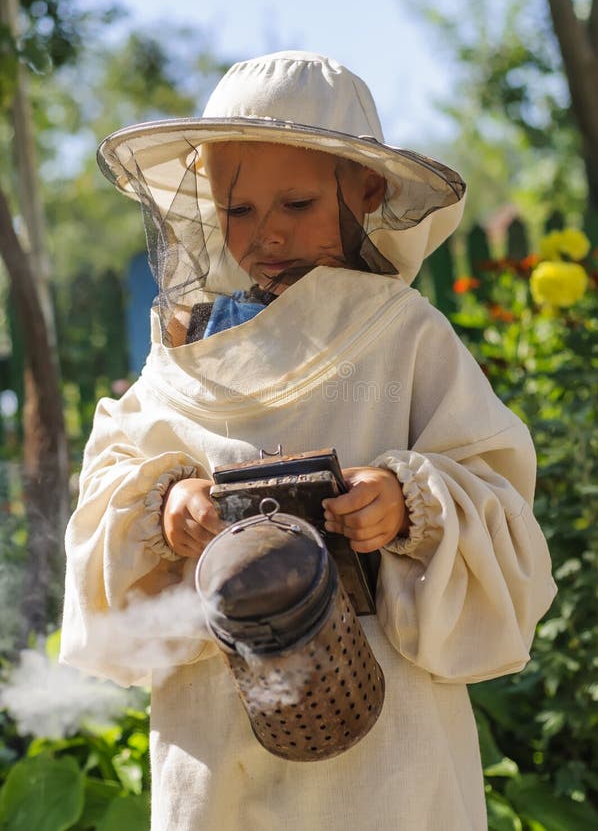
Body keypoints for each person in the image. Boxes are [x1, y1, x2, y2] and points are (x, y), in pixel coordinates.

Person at [60, 51, 556, 831]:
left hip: (386, 751)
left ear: (368, 191)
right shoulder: (184, 345)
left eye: (295, 202)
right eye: (239, 210)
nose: (268, 234)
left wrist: (409, 503)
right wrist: (167, 506)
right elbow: (108, 485)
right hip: (216, 738)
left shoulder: (406, 337)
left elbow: (495, 494)